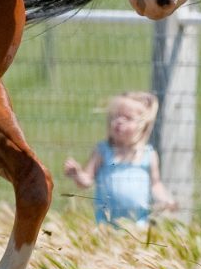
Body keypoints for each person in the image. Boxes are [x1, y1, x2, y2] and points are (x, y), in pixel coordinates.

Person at [63, 91, 172, 227]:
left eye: (128, 118)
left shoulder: (148, 155)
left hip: (138, 226)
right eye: (116, 116)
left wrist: (165, 200)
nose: (119, 121)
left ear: (142, 125)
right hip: (106, 226)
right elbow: (86, 181)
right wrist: (77, 174)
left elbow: (156, 184)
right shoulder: (103, 151)